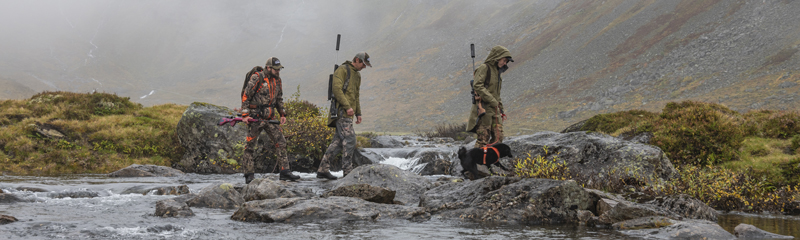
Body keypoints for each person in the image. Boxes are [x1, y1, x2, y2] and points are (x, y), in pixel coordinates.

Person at [240, 57, 300, 183]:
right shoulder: (257, 77)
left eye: (279, 69)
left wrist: (282, 114)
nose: (278, 71)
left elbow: (279, 99)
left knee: (281, 142)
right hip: (255, 117)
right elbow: (246, 95)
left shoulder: (278, 81)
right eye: (276, 69)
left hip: (270, 118)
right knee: (250, 146)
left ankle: (285, 172)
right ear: (268, 68)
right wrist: (245, 115)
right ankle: (249, 175)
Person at [315, 52, 371, 180]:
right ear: (357, 60)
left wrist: (358, 113)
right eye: (363, 64)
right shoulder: (342, 70)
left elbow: (356, 95)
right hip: (341, 112)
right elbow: (337, 89)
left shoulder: (357, 75)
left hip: (349, 114)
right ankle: (347, 171)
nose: (364, 67)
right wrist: (347, 107)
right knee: (350, 140)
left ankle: (323, 169)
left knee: (338, 142)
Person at [466, 45, 513, 148]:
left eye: (506, 62)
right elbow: (477, 85)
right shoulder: (484, 68)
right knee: (483, 140)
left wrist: (501, 109)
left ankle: (490, 160)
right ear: (497, 57)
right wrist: (492, 101)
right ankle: (478, 162)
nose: (505, 63)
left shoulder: (497, 72)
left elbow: (497, 93)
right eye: (504, 60)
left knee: (498, 138)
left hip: (495, 110)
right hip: (484, 109)